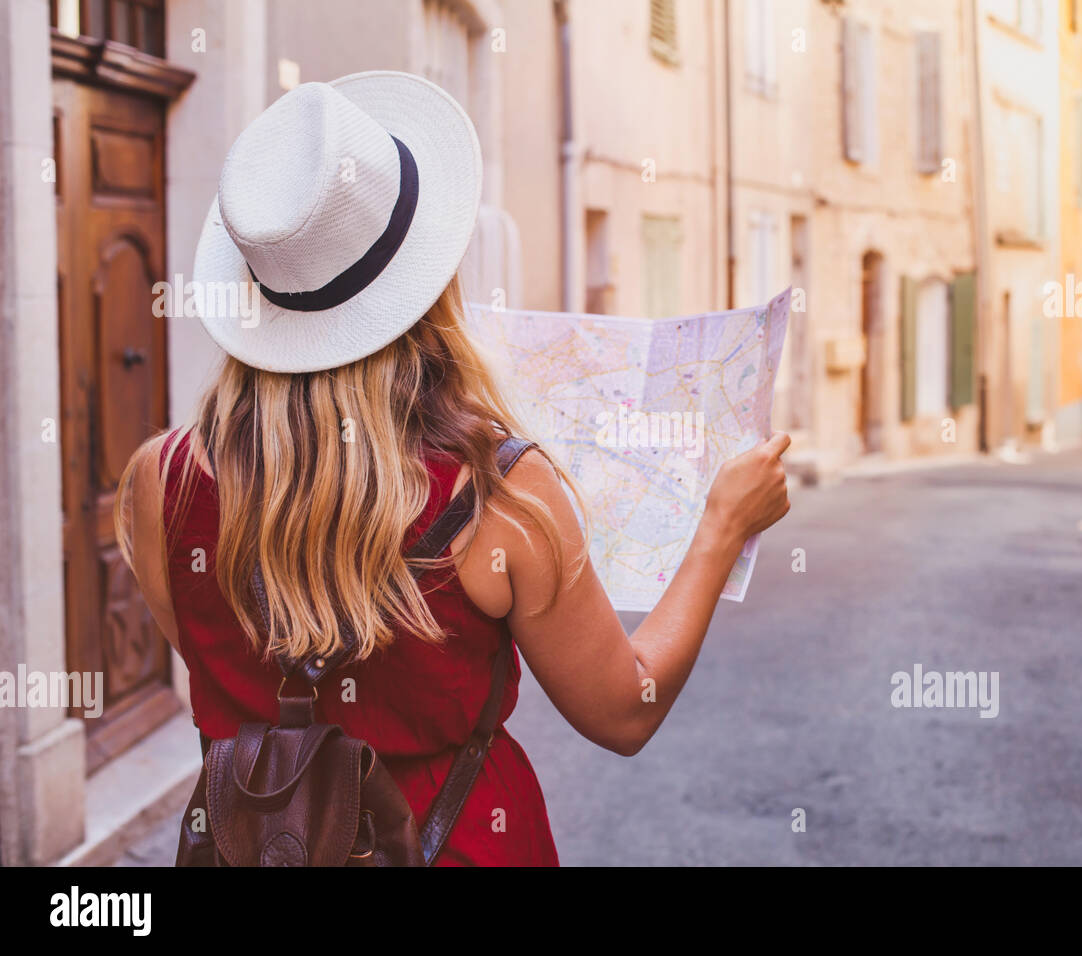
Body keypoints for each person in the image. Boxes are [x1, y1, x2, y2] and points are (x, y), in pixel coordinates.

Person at [115, 71, 790, 866]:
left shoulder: (160, 481)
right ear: (429, 283)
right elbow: (623, 711)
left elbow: (232, 673)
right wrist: (721, 529)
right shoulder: (498, 492)